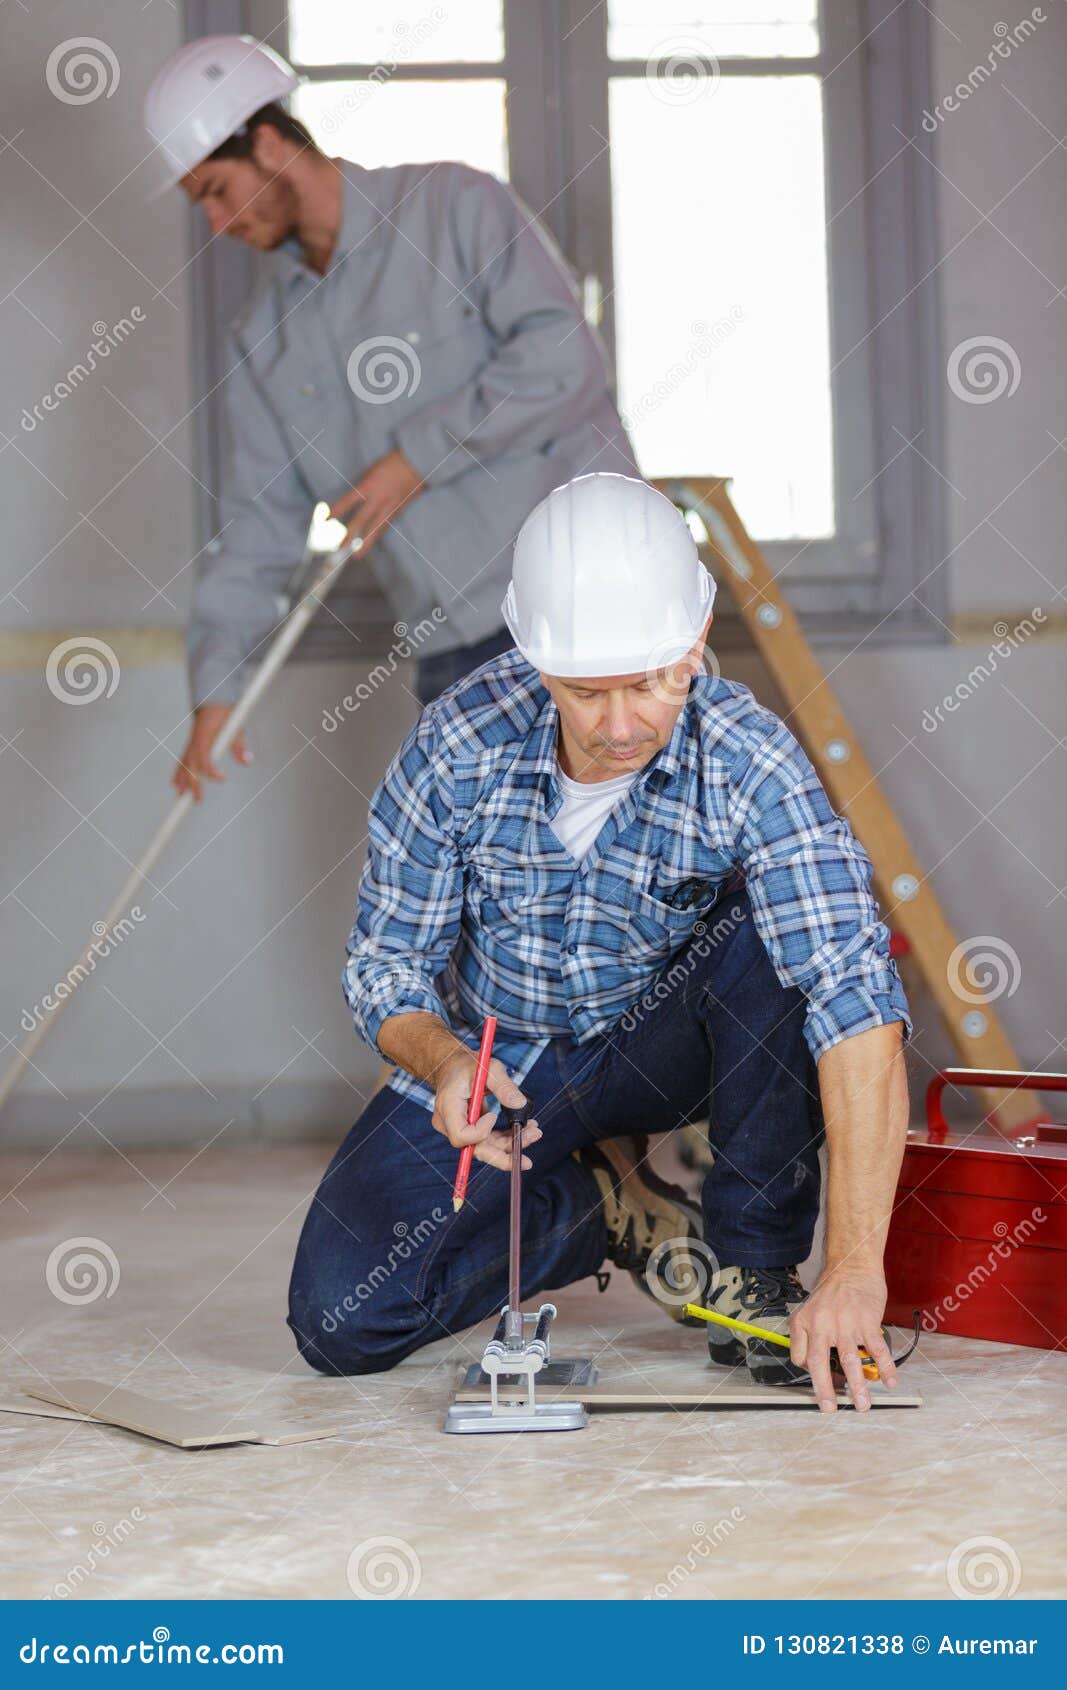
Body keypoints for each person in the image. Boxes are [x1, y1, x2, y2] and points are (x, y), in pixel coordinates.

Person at [287, 472, 913, 1413]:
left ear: (695, 641)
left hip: (666, 1048)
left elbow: (853, 998)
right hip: (503, 1062)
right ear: (536, 661)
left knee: (776, 940)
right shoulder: (458, 744)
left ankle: (753, 1262)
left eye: (653, 683)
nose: (622, 726)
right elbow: (387, 967)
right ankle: (597, 1209)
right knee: (341, 1320)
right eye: (586, 692)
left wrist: (856, 1266)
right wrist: (445, 1060)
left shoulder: (750, 761)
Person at [142, 35, 636, 800]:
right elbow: (252, 535)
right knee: (495, 905)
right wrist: (217, 690)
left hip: (597, 615)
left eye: (214, 189)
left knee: (647, 887)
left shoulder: (453, 209)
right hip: (457, 657)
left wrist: (417, 456)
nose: (214, 223)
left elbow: (564, 360)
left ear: (268, 142)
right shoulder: (264, 345)